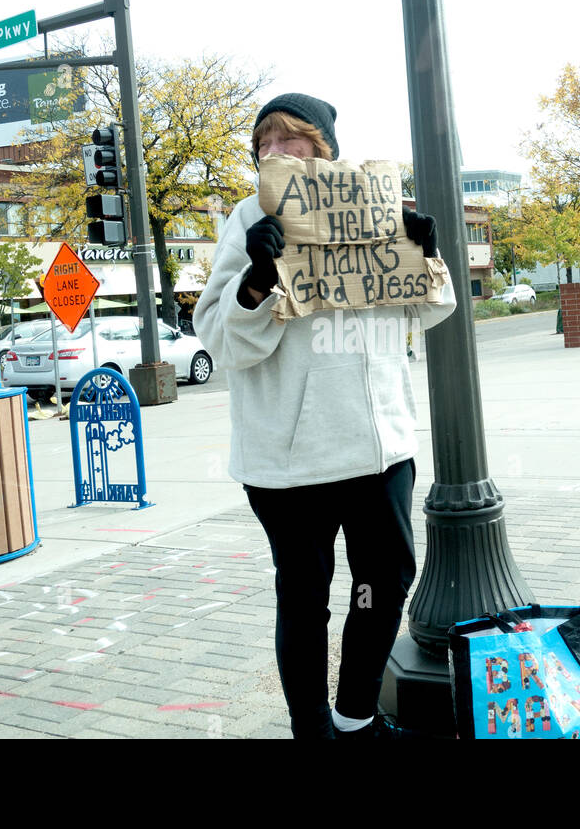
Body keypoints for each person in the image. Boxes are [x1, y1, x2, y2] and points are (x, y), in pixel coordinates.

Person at [194, 93, 457, 739]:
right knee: (305, 598)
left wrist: (425, 255)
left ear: (325, 149)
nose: (275, 151)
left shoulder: (375, 208)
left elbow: (430, 310)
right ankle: (311, 729)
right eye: (265, 143)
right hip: (290, 459)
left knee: (385, 583)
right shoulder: (249, 216)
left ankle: (356, 716)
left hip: (379, 447)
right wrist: (254, 279)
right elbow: (219, 339)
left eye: (291, 139)